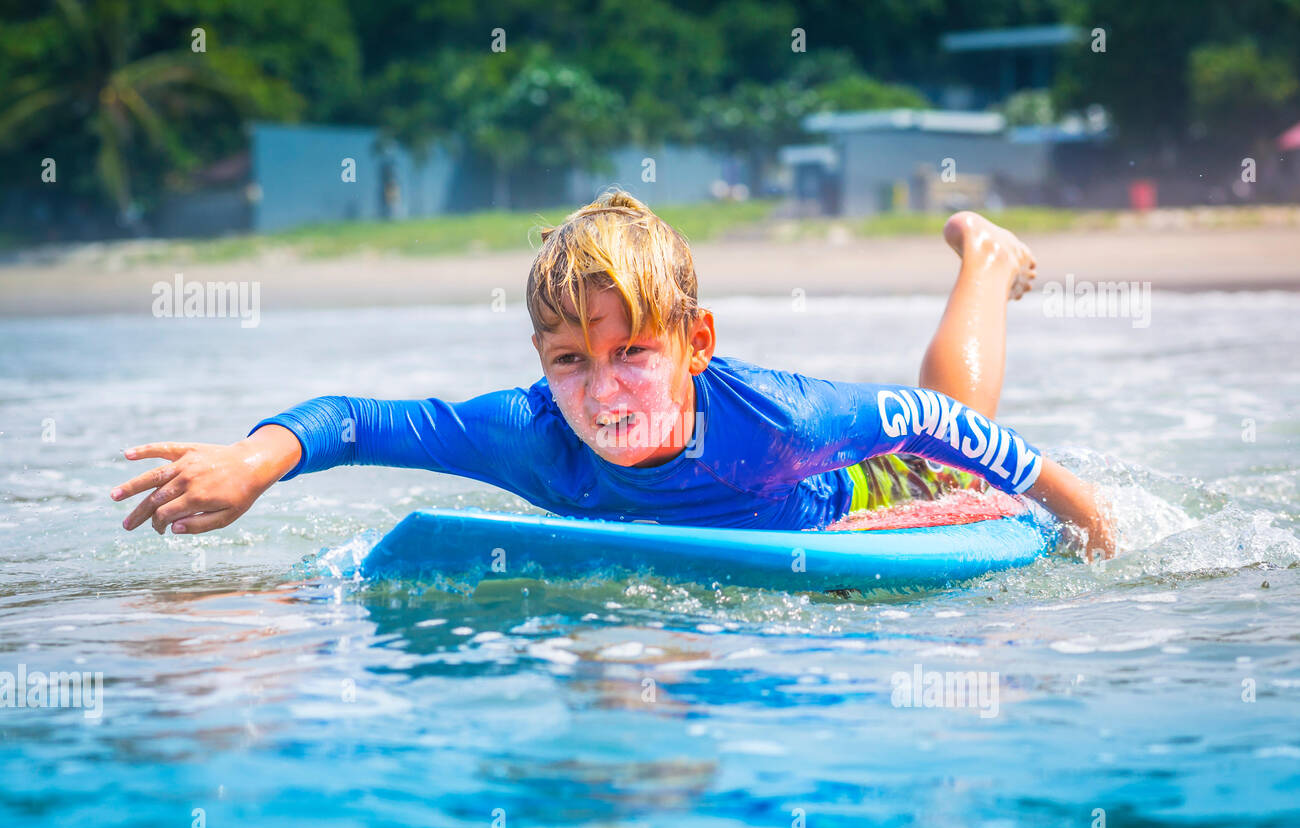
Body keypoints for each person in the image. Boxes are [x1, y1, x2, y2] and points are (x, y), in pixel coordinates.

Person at [110, 190, 1116, 558]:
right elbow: (354, 419)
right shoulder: (526, 434)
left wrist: (1080, 515)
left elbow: (931, 419)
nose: (602, 387)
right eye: (569, 360)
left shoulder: (779, 419)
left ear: (694, 341)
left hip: (848, 499)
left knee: (943, 456)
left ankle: (983, 256)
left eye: (632, 351)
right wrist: (254, 459)